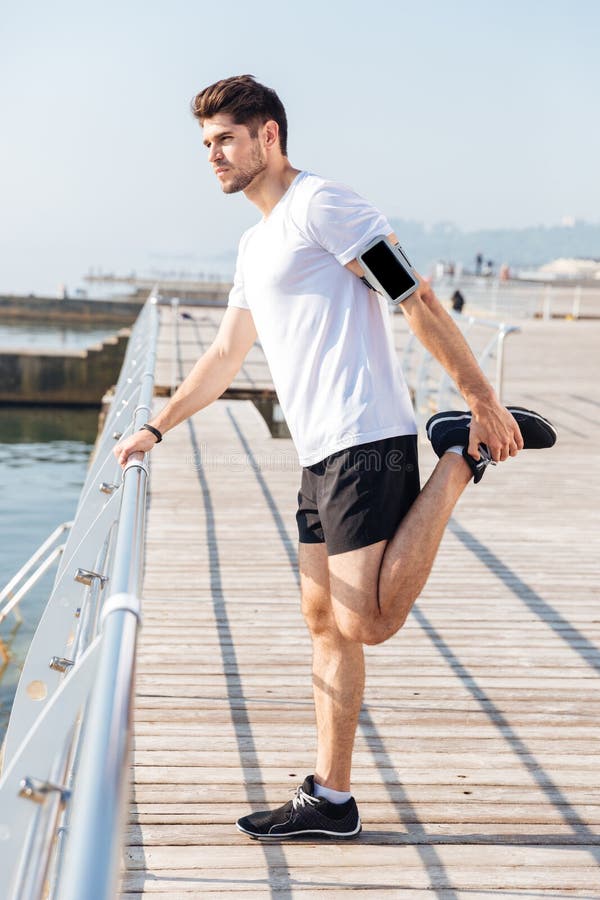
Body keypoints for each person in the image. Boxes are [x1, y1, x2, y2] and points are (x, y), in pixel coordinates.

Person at [114, 75, 556, 841]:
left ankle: (458, 456)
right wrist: (156, 428)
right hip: (319, 452)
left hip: (366, 439)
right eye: (206, 144)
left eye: (224, 139)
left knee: (370, 621)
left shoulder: (323, 205)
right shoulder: (256, 243)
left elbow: (409, 293)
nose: (212, 155)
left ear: (269, 135)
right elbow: (225, 355)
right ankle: (333, 796)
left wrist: (481, 395)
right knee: (325, 622)